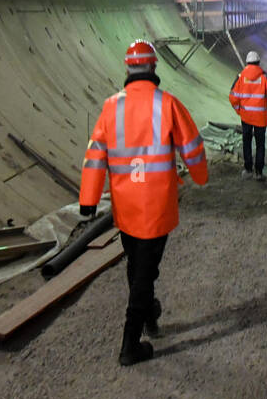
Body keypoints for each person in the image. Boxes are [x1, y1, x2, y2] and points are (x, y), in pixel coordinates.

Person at [79, 38, 208, 365]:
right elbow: (191, 145)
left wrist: (88, 200)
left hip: (126, 207)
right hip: (157, 205)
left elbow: (95, 156)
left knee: (138, 266)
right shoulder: (167, 104)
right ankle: (129, 345)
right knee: (144, 271)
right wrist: (200, 174)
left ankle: (149, 315)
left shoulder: (111, 107)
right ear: (153, 67)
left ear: (127, 68)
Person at [229, 49, 267, 180]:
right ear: (258, 62)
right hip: (260, 118)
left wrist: (238, 110)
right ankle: (259, 172)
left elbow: (232, 97)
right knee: (260, 144)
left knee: (246, 142)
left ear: (247, 63)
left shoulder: (240, 77)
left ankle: (247, 170)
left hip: (246, 117)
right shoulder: (265, 77)